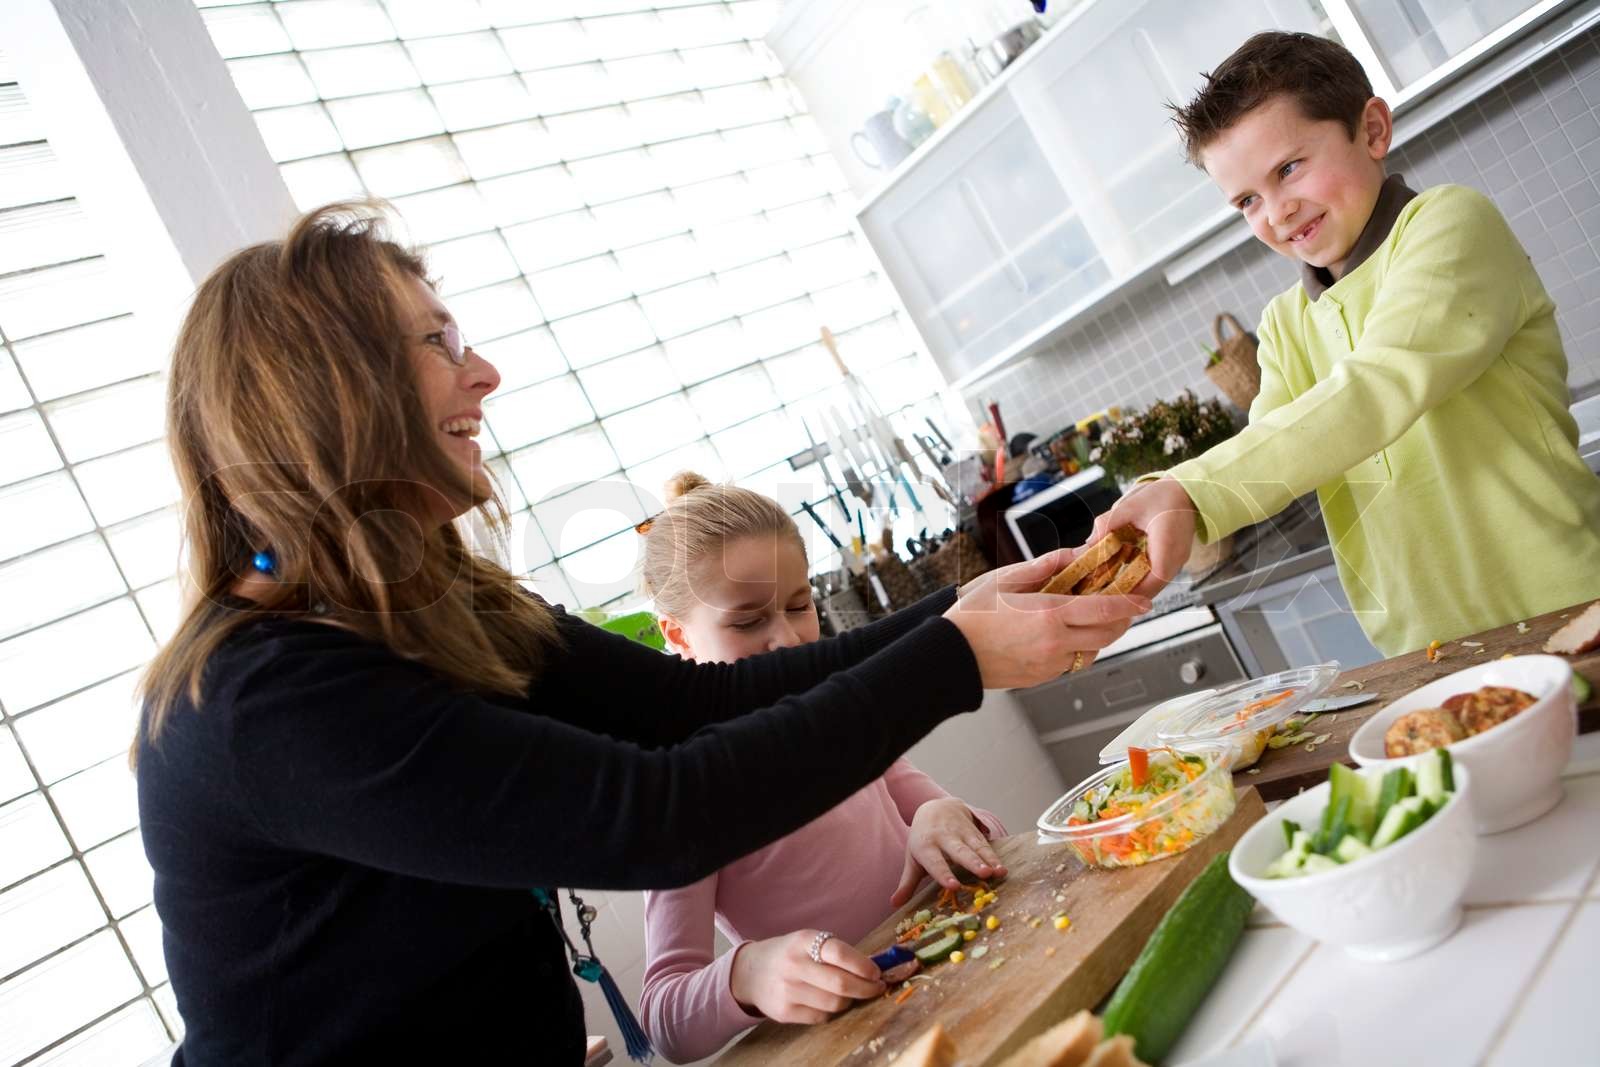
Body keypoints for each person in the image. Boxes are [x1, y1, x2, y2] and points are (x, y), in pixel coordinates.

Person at [133, 203, 1148, 1065]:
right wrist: (956, 657)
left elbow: (684, 708)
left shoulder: (442, 604)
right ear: (332, 391)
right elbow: (656, 811)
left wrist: (968, 607)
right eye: (437, 342)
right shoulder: (262, 698)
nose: (483, 371)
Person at [1095, 31, 1600, 656]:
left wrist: (1188, 490)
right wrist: (1166, 504)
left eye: (1288, 169)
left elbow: (1374, 387)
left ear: (1374, 130)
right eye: (1248, 200)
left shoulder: (1448, 225)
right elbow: (1269, 454)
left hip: (1567, 610)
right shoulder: (1284, 325)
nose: (1277, 211)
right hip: (1423, 654)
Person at [634, 473, 1008, 1062]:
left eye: (799, 606)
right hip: (865, 1042)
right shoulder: (683, 789)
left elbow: (988, 839)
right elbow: (666, 1021)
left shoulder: (835, 713)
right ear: (677, 635)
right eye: (748, 621)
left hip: (969, 980)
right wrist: (747, 974)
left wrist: (946, 815)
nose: (787, 640)